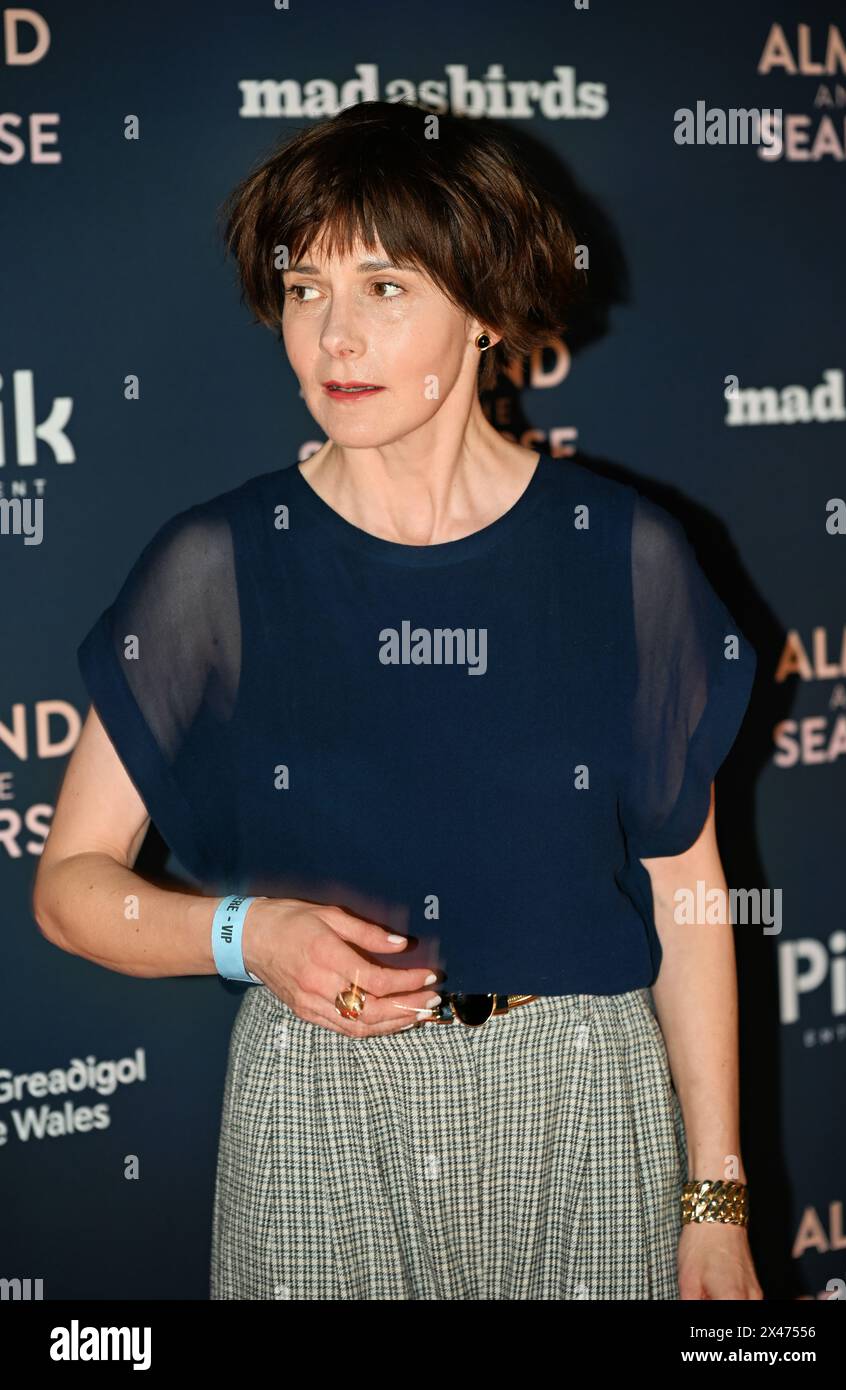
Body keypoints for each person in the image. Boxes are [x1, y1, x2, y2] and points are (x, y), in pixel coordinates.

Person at [33, 99, 763, 1301]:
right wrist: (242, 935)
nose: (333, 336)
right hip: (322, 1109)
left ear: (483, 311)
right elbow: (70, 887)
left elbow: (687, 893)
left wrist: (715, 1196)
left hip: (584, 1106)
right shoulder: (219, 562)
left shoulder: (622, 556)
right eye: (305, 288)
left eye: (382, 287)